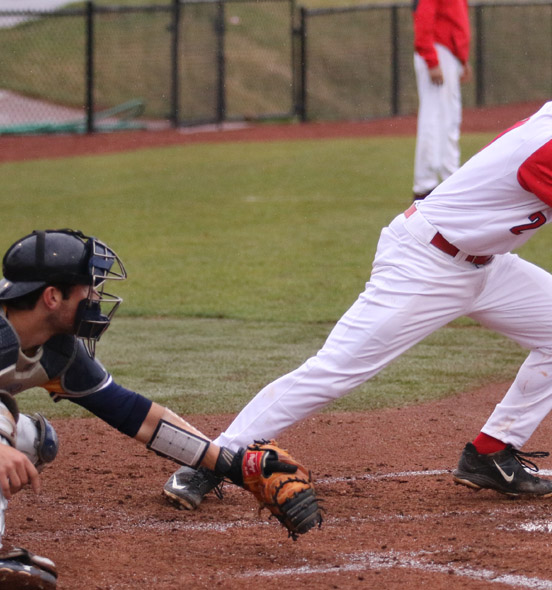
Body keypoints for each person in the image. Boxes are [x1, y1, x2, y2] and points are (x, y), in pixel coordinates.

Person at [163, 32, 552, 506]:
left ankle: (490, 453)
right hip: (423, 264)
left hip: (484, 265)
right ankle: (211, 459)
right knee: (336, 372)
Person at [0, 230, 320, 590]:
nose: (96, 298)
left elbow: (138, 416)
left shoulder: (59, 353)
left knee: (34, 442)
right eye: (88, 288)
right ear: (51, 297)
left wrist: (234, 467)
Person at [411, 0, 471, 200]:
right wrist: (431, 59)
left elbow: (454, 19)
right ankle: (429, 183)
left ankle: (441, 180)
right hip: (438, 51)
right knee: (436, 117)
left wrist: (461, 59)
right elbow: (423, 19)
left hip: (446, 52)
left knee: (447, 117)